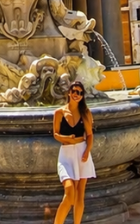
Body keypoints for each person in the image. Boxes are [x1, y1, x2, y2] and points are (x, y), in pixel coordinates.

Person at [52, 81, 95, 224]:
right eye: (74, 91)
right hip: (66, 154)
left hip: (82, 152)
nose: (77, 94)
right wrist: (67, 139)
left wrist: (87, 151)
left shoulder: (85, 112)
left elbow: (89, 135)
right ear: (69, 93)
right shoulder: (59, 113)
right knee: (69, 191)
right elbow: (56, 134)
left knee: (80, 194)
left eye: (80, 93)